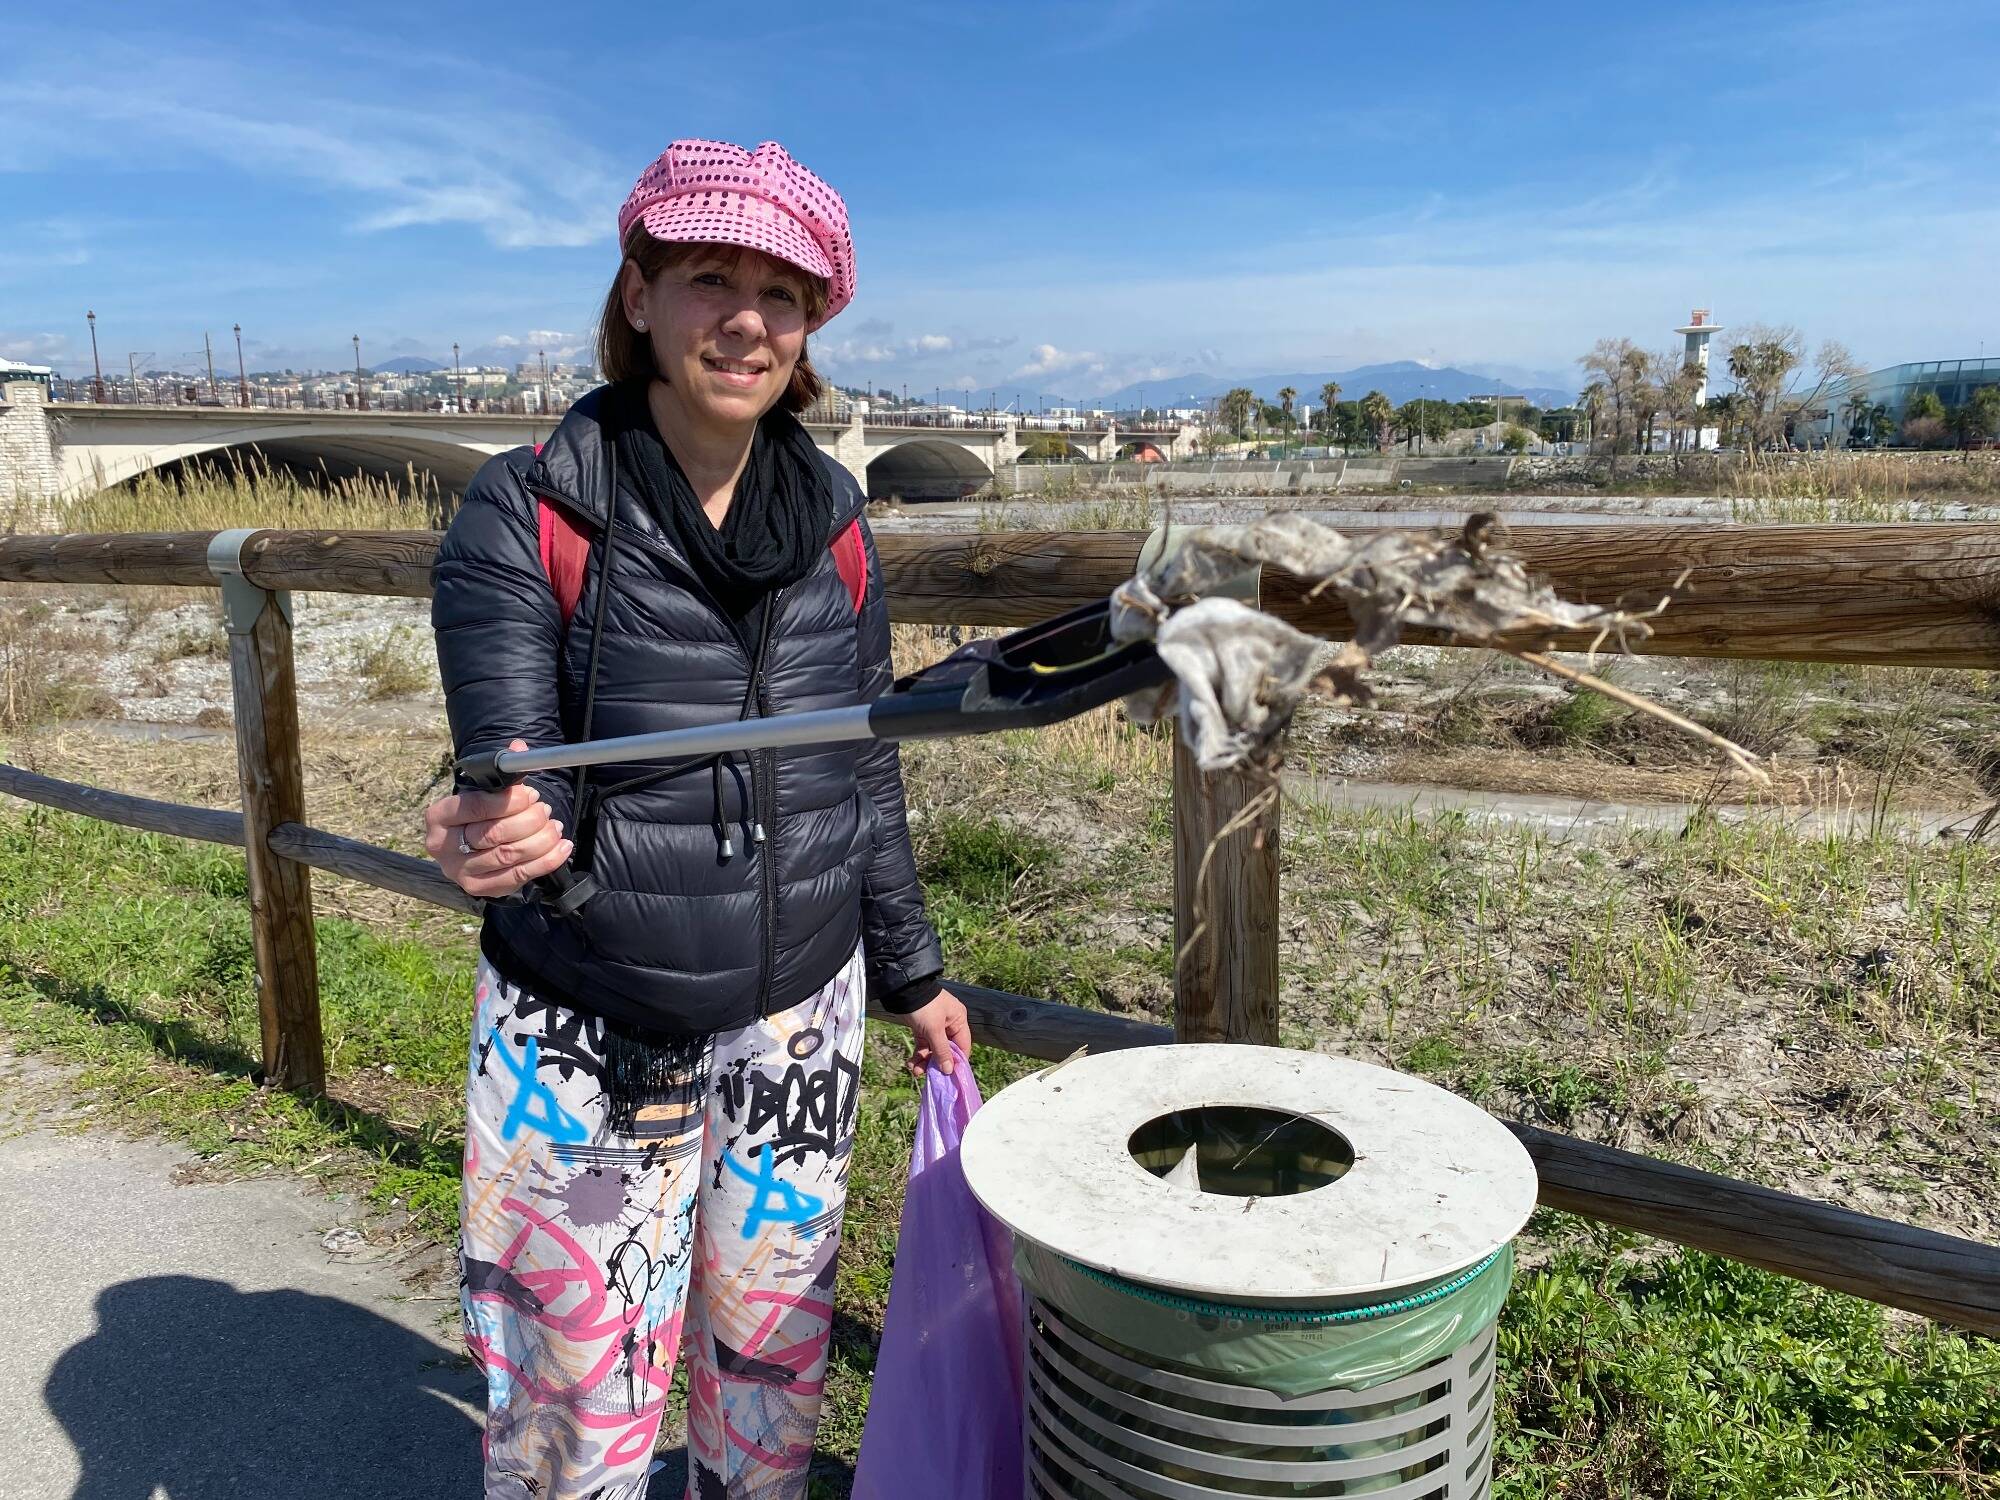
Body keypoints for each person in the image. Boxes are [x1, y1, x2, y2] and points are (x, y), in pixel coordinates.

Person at [422, 138, 971, 1500]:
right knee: (572, 1410)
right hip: (591, 1028)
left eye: (781, 294)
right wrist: (498, 821)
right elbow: (508, 755)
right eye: (710, 279)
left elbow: (863, 769)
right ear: (643, 295)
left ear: (814, 324)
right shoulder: (533, 502)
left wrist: (911, 967)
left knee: (770, 1382)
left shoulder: (836, 518)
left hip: (802, 1018)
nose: (746, 319)